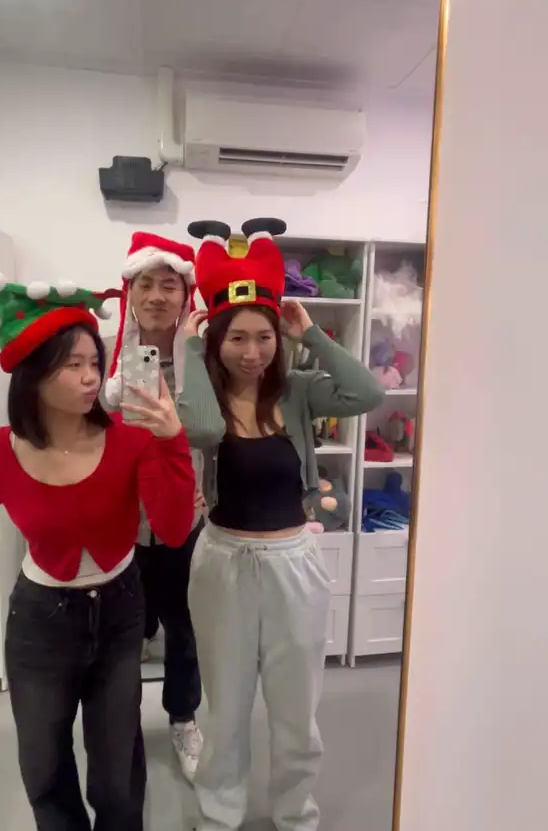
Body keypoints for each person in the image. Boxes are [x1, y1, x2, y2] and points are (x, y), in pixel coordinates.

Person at [0, 273, 196, 831]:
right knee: (43, 766)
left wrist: (172, 442)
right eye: (73, 365)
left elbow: (171, 528)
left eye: (95, 362)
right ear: (33, 373)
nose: (92, 377)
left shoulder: (131, 438)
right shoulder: (1, 449)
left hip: (120, 612)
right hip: (41, 621)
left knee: (117, 773)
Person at [176, 218, 385, 831]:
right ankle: (220, 814)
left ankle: (296, 814)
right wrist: (189, 350)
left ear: (278, 336)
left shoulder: (297, 391)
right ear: (215, 340)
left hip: (294, 562)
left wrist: (310, 332)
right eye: (236, 338)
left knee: (297, 712)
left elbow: (367, 393)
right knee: (227, 708)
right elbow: (200, 430)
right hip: (223, 563)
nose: (252, 352)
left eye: (263, 337)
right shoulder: (203, 394)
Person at [106, 232, 205, 781]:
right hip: (119, 518)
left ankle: (183, 718)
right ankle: (119, 724)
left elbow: (218, 429)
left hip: (184, 516)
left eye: (170, 285)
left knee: (185, 627)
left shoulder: (203, 354)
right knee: (122, 631)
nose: (157, 296)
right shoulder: (104, 349)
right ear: (131, 290)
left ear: (185, 294)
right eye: (146, 283)